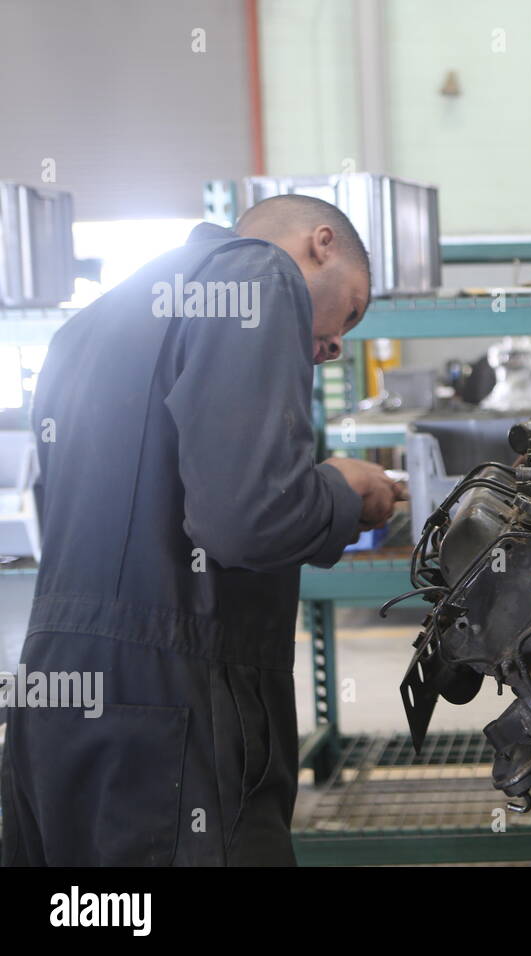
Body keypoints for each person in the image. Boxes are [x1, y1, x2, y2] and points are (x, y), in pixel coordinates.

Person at [1, 195, 400, 865]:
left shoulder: (92, 322)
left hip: (53, 700)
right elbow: (246, 519)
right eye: (351, 310)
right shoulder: (257, 275)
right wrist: (342, 488)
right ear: (319, 243)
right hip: (170, 707)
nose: (334, 346)